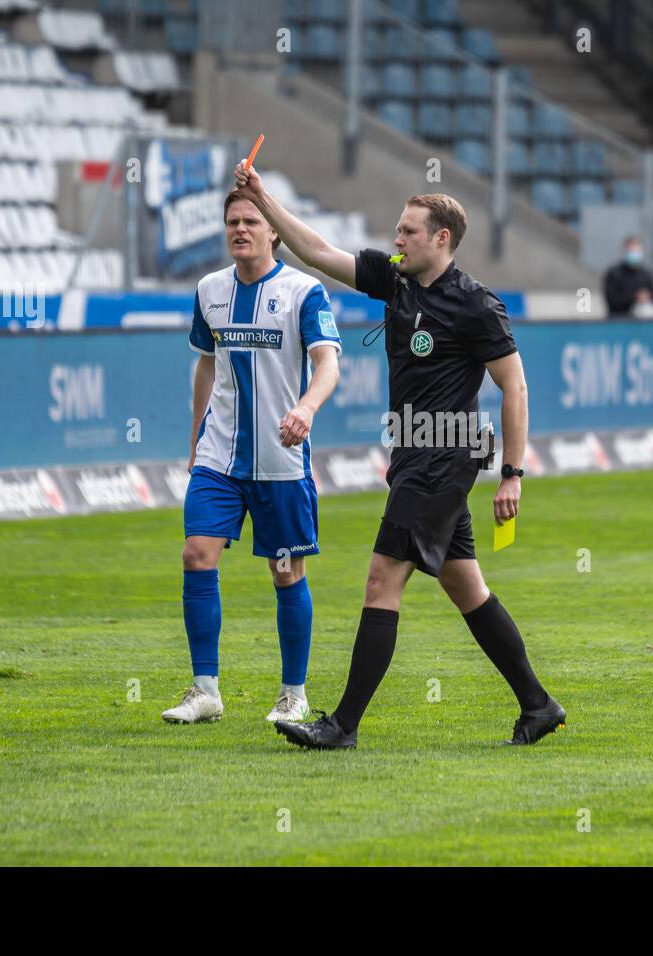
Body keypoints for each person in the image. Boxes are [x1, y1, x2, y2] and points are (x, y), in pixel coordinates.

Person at [231, 159, 565, 750]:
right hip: (413, 454)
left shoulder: (477, 305)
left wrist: (512, 474)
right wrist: (264, 197)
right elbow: (317, 252)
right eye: (397, 230)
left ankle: (342, 726)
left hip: (446, 455)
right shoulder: (396, 279)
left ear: (442, 238)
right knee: (469, 589)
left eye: (408, 231)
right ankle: (538, 705)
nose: (396, 239)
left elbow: (514, 386)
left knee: (382, 578)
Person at [161, 190, 342, 726]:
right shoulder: (209, 290)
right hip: (219, 458)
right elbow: (205, 364)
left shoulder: (303, 292)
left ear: (273, 232)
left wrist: (307, 408)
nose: (240, 229)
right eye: (232, 222)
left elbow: (328, 364)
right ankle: (205, 690)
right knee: (197, 554)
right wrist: (195, 438)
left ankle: (293, 694)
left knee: (285, 573)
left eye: (250, 221)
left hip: (281, 463)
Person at [603, 235, 653, 317]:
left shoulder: (646, 274)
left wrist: (646, 299)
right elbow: (612, 301)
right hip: (619, 322)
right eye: (630, 251)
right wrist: (634, 298)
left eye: (636, 251)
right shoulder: (614, 273)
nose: (633, 254)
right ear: (624, 251)